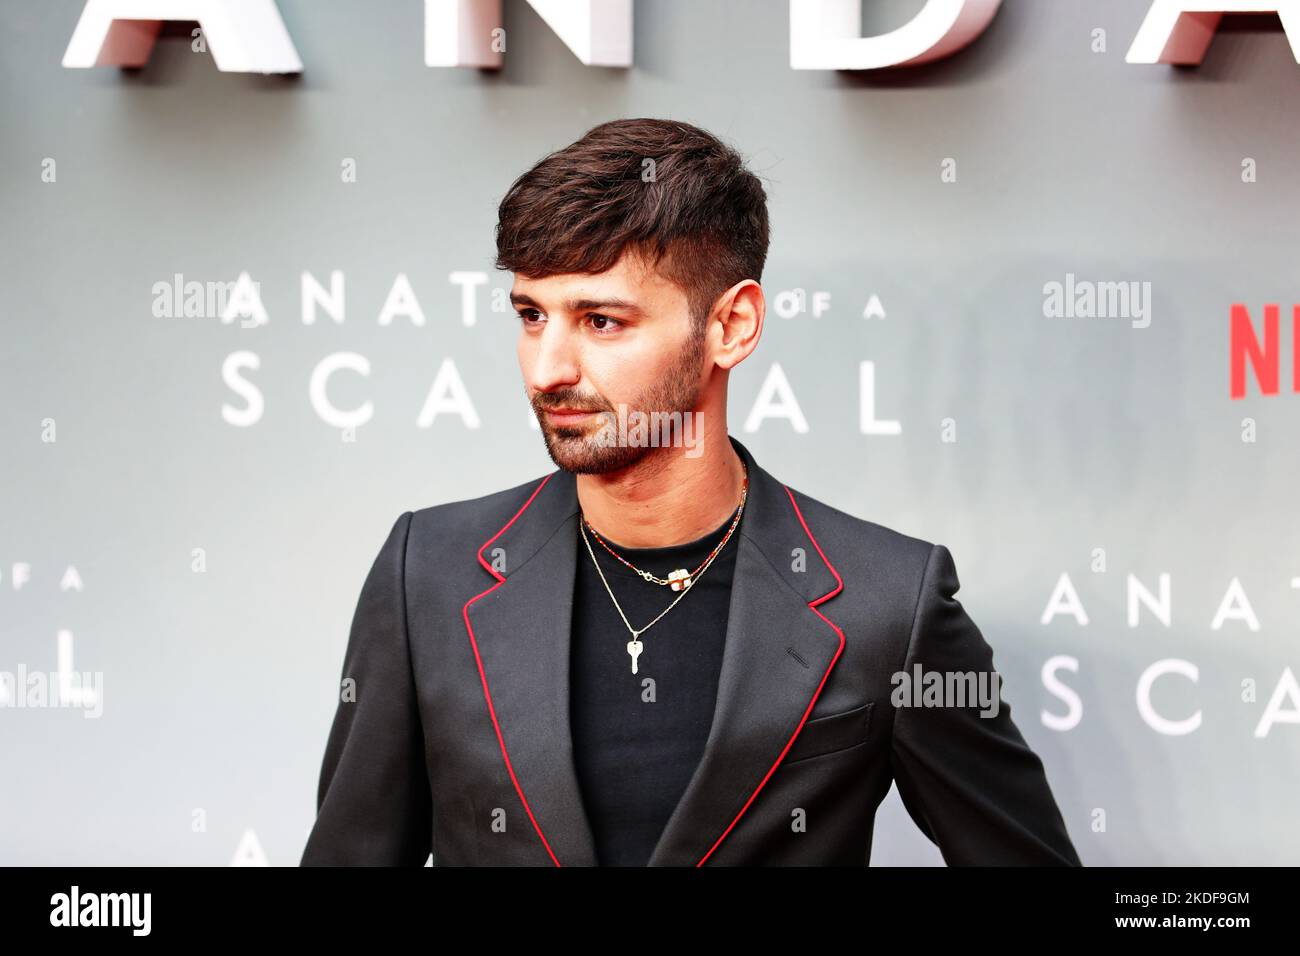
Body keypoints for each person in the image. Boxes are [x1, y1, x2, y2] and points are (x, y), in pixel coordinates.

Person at [300, 118, 1081, 867]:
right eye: (532, 316)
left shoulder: (888, 603)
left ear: (731, 326)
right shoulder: (428, 573)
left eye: (602, 321)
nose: (547, 370)